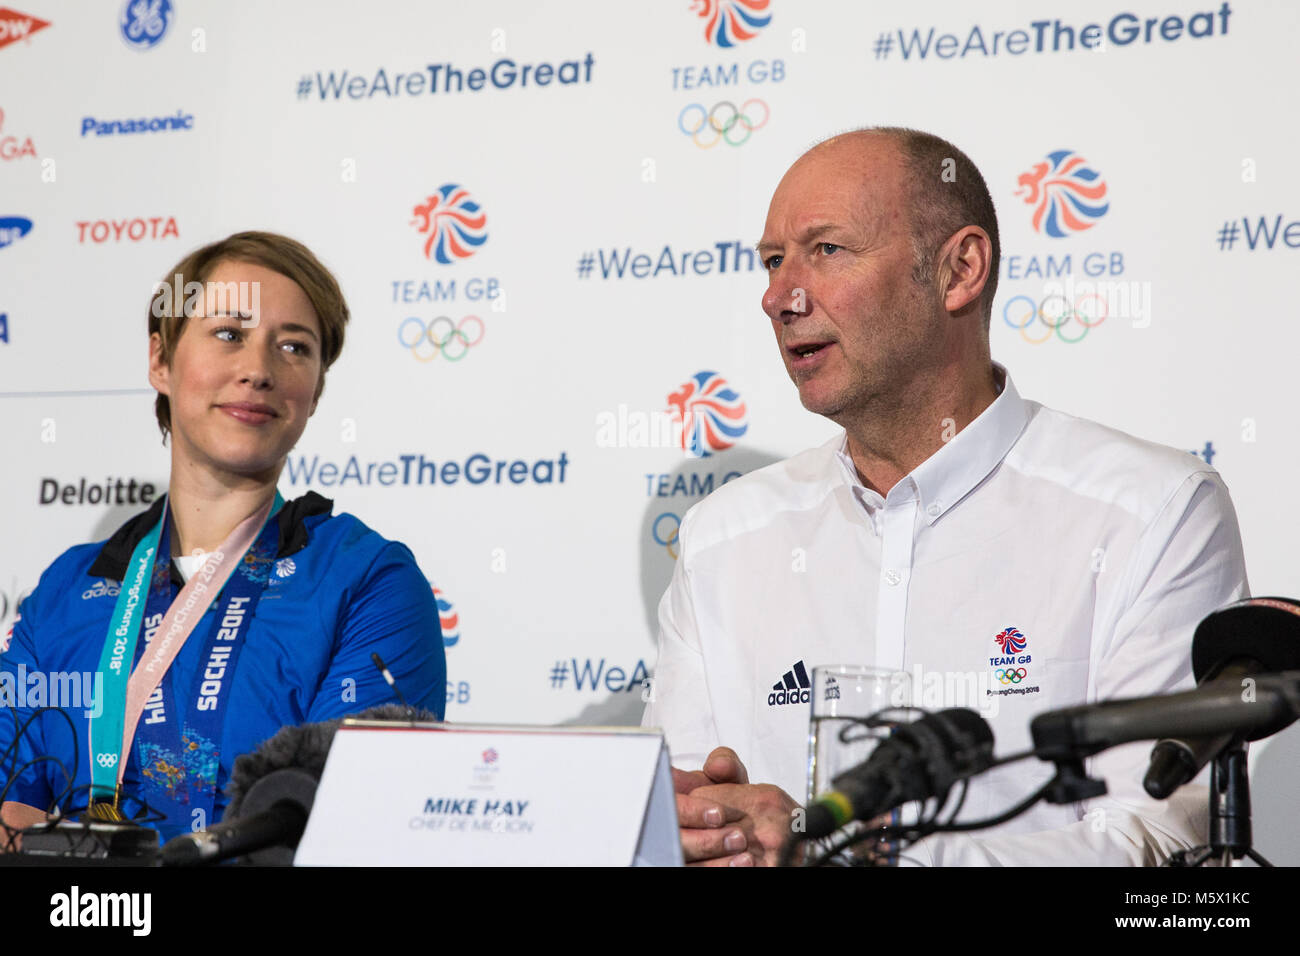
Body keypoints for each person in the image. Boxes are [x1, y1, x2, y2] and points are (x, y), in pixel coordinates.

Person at [642, 128, 1249, 866]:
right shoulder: (724, 538)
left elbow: (1159, 845)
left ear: (959, 269)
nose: (779, 296)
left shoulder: (1151, 512)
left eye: (826, 251)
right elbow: (676, 821)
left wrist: (841, 858)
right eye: (773, 261)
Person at [0, 232, 446, 846]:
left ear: (314, 392)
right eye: (229, 334)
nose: (259, 370)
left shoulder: (369, 583)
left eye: (293, 347)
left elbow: (347, 833)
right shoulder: (68, 588)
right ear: (161, 360)